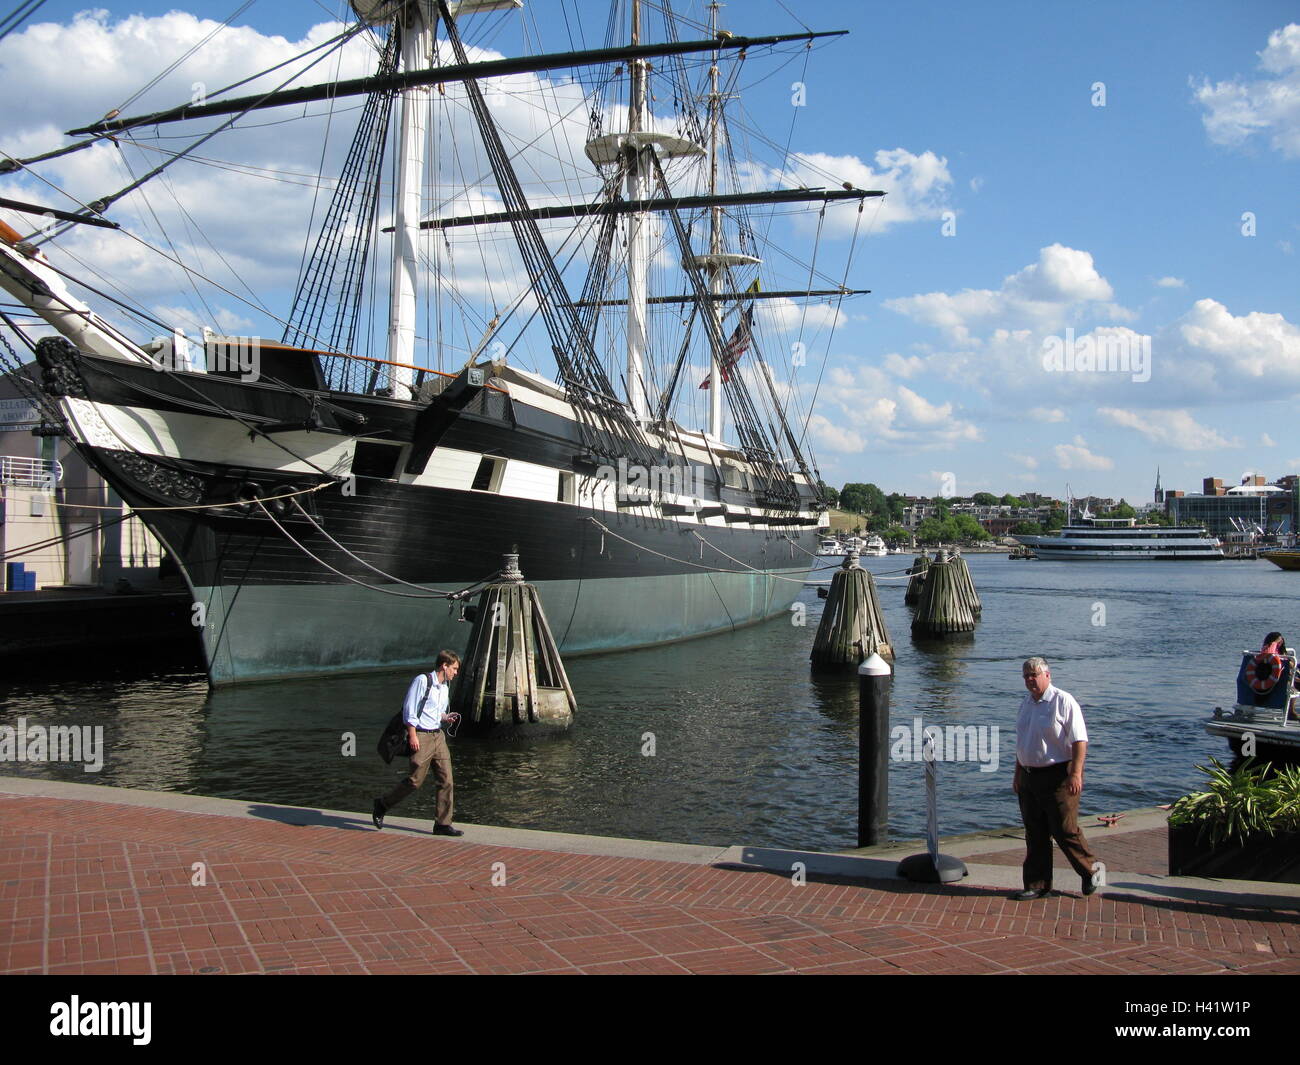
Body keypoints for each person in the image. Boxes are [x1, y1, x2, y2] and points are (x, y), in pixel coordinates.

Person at [1011, 657, 1100, 900]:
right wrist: (1017, 774)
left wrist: (1076, 774)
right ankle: (1037, 884)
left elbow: (1080, 740)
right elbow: (1022, 743)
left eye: (1034, 675)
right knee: (1034, 832)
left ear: (1047, 675)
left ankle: (1091, 871)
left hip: (1058, 775)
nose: (1030, 679)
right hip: (1029, 775)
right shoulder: (1025, 704)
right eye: (1026, 676)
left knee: (1065, 830)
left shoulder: (1063, 701)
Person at [372, 650, 463, 836]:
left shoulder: (444, 687)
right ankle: (382, 804)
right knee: (415, 781)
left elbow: (434, 711)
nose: (456, 673)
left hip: (438, 736)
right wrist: (413, 735)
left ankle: (442, 824)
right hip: (421, 735)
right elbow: (410, 710)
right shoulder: (422, 681)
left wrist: (445, 717)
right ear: (444, 666)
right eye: (454, 668)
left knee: (446, 780)